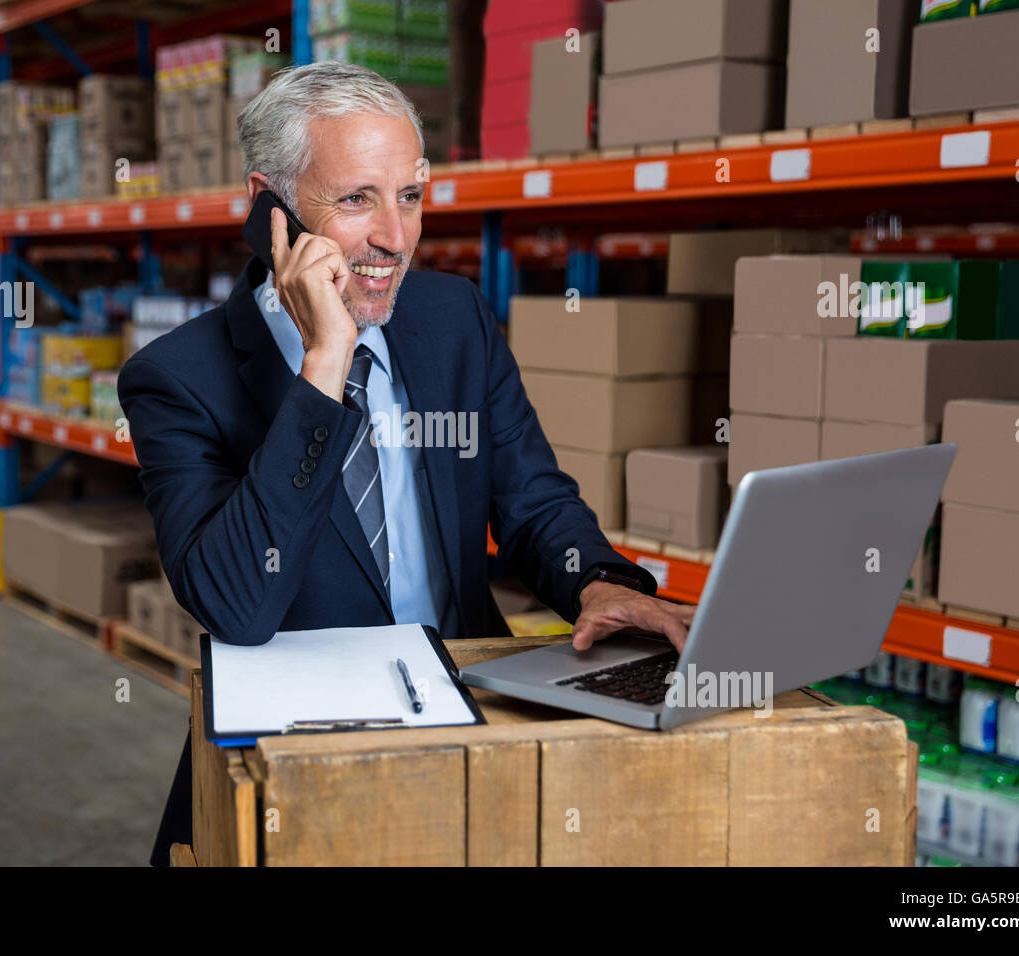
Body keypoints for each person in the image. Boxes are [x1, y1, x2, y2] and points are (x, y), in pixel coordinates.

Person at [117, 61, 697, 866]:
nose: (396, 235)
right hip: (297, 760)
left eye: (411, 196)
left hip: (469, 717)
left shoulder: (452, 318)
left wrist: (598, 581)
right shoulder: (178, 379)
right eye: (357, 199)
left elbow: (531, 498)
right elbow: (236, 605)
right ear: (269, 207)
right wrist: (324, 364)